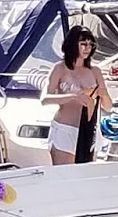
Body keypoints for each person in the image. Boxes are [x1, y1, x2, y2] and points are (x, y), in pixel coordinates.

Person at [42, 26, 112, 164]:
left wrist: (104, 95)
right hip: (65, 129)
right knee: (63, 173)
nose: (87, 48)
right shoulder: (60, 69)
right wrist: (74, 97)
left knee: (86, 174)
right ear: (73, 44)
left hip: (89, 130)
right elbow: (45, 99)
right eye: (83, 44)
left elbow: (108, 107)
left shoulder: (95, 71)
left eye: (90, 45)